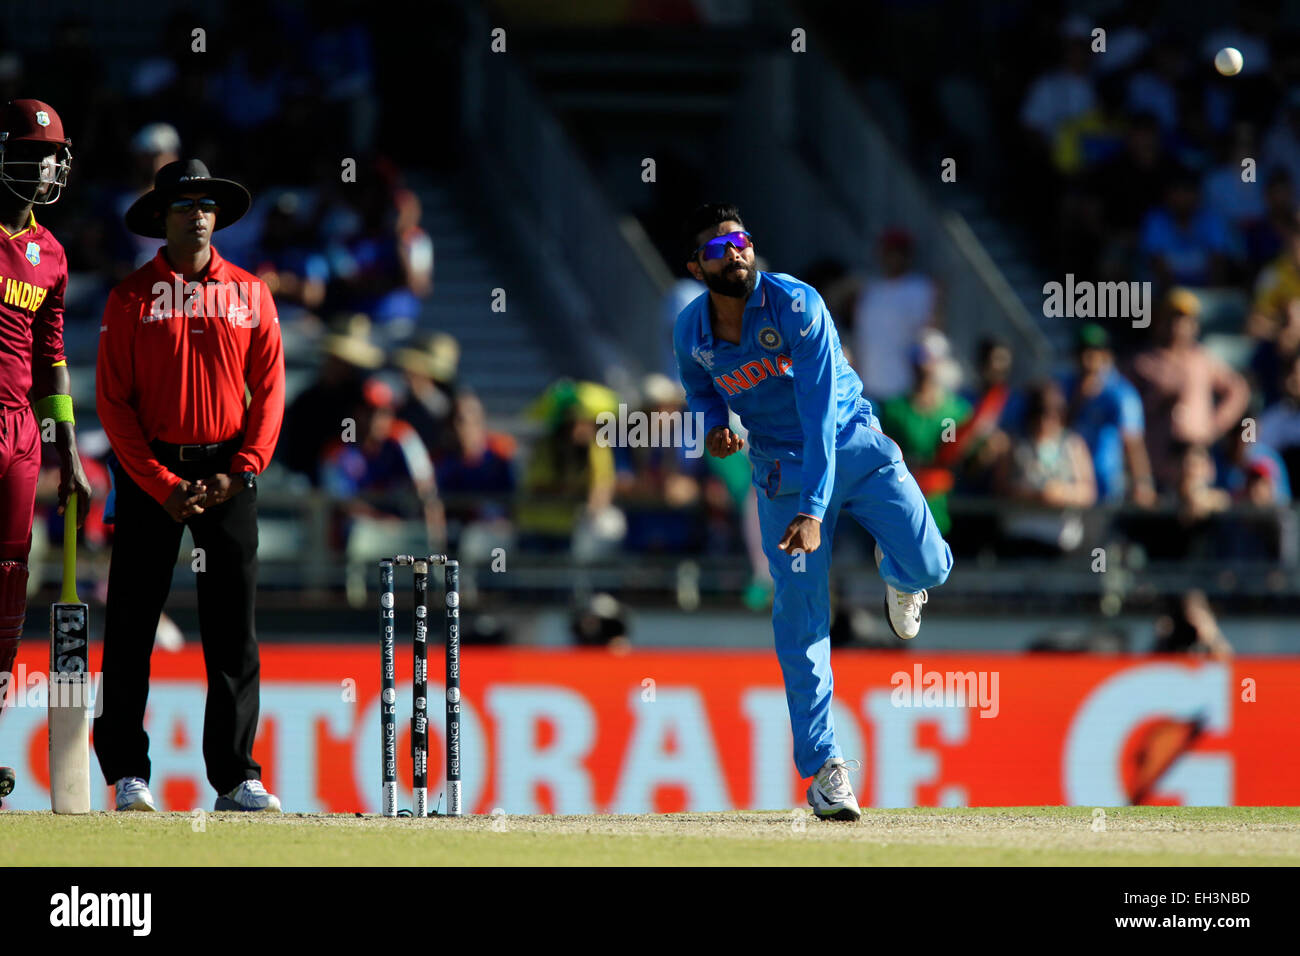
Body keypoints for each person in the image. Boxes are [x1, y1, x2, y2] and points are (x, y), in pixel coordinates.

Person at [674, 203, 952, 823]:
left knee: (933, 566)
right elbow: (698, 387)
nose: (736, 253)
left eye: (741, 240)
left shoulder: (796, 304)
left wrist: (816, 508)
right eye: (719, 249)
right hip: (779, 472)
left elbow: (820, 409)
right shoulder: (692, 330)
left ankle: (901, 573)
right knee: (800, 622)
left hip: (852, 445)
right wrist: (715, 424)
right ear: (697, 267)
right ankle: (828, 771)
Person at [94, 159, 285, 812]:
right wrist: (159, 481)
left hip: (230, 472)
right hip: (154, 475)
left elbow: (270, 391)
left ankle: (236, 778)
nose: (198, 214)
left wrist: (245, 468)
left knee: (233, 629)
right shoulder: (129, 298)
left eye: (206, 205)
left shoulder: (252, 294)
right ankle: (127, 773)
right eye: (184, 205)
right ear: (162, 218)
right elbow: (113, 404)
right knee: (131, 624)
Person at [0, 99, 90, 807]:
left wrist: (69, 453)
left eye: (54, 154)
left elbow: (52, 355)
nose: (47, 166)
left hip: (22, 436)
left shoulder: (51, 254)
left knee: (7, 592)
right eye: (34, 153)